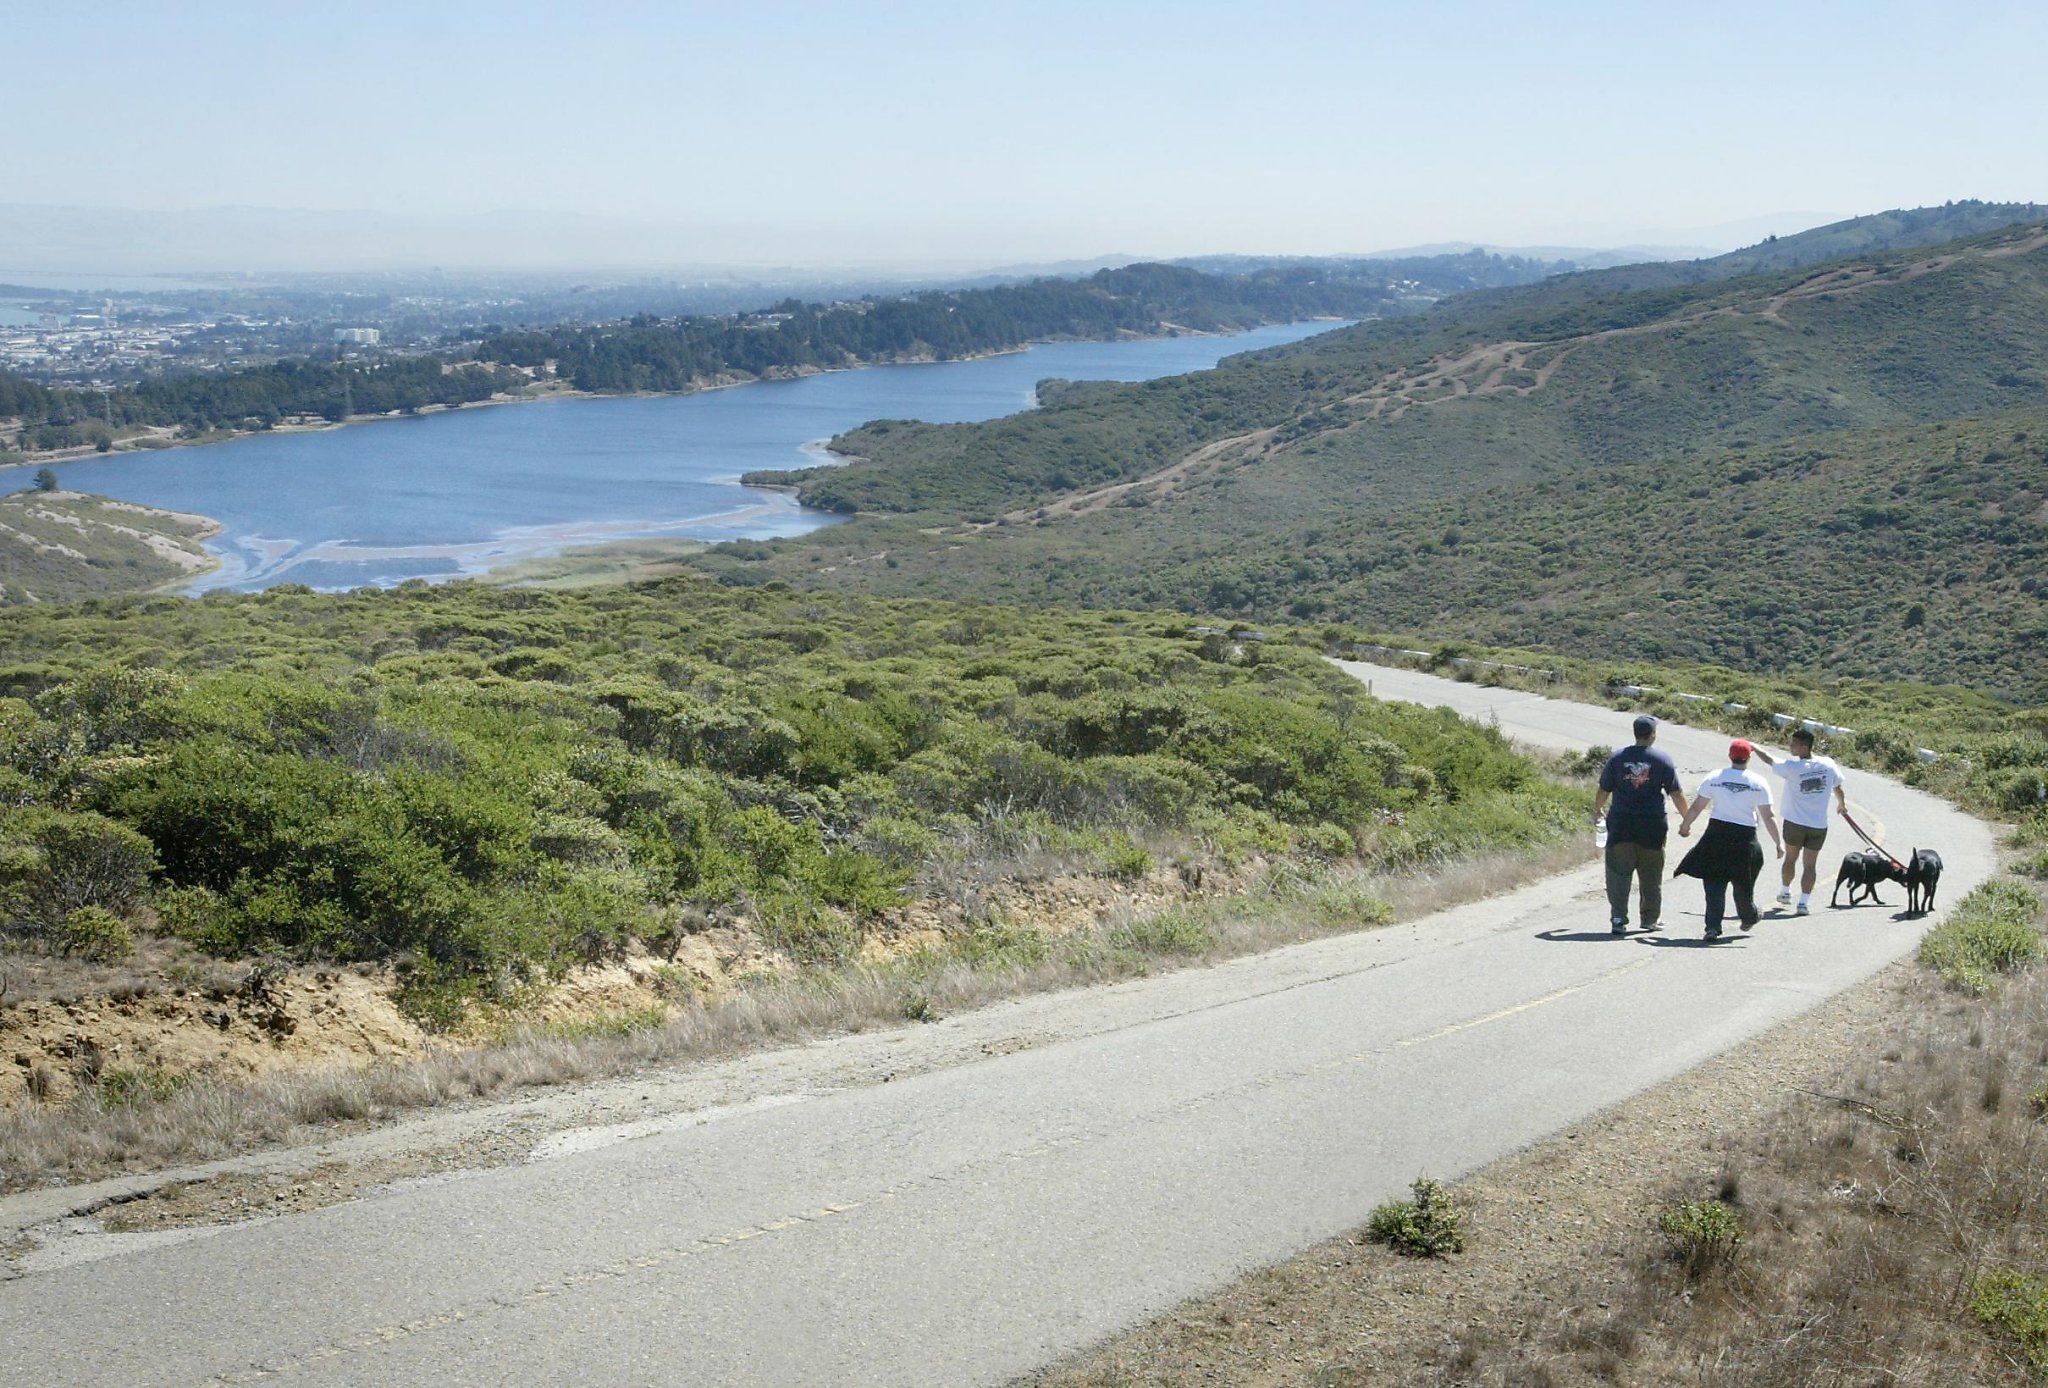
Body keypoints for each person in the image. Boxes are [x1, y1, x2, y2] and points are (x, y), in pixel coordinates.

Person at [1675, 739, 1785, 940]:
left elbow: (1698, 805)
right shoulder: (1758, 782)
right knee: (1743, 885)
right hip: (1745, 839)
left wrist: (1685, 825)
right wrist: (1778, 842)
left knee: (1714, 885)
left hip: (1716, 836)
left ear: (1730, 756)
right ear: (1749, 758)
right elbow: (1768, 815)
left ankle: (1713, 928)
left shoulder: (1715, 777)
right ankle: (1749, 916)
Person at [1591, 714, 1688, 935]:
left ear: (1635, 733)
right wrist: (1687, 819)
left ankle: (1618, 919)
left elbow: (1603, 789)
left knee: (1618, 873)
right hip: (1652, 825)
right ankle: (1649, 919)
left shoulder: (1617, 759)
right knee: (1651, 874)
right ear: (1652, 734)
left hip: (1621, 824)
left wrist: (1597, 810)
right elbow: (1676, 793)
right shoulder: (1662, 759)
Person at [1751, 728, 1849, 916]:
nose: (1790, 746)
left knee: (1790, 859)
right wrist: (1841, 805)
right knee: (1810, 865)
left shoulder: (1792, 768)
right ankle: (1803, 903)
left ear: (1804, 747)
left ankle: (1785, 891)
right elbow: (1838, 787)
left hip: (1795, 823)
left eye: (1794, 744)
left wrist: (1755, 747)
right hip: (1819, 825)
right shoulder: (1828, 764)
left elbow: (1770, 759)